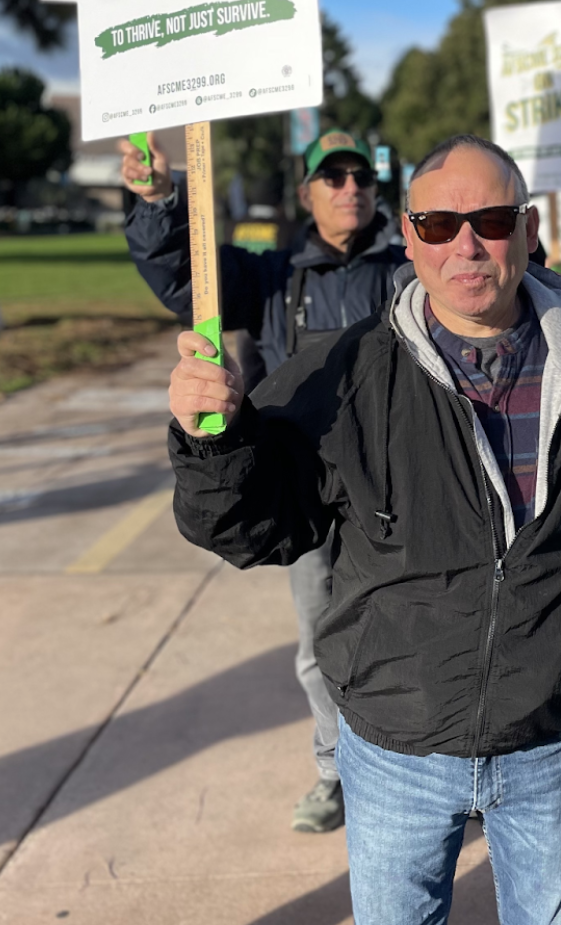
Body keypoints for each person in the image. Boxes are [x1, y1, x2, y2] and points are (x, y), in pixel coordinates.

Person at [164, 134, 561, 924]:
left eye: (493, 220)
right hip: (394, 749)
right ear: (408, 236)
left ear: (531, 227)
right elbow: (249, 529)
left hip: (551, 744)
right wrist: (213, 440)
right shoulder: (346, 369)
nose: (467, 244)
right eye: (439, 225)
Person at [120, 127, 407, 833]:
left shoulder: (410, 269)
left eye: (360, 178)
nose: (350, 188)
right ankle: (337, 774)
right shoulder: (275, 275)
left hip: (398, 491)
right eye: (332, 178)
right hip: (304, 492)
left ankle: (424, 773)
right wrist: (159, 200)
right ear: (307, 193)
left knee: (409, 633)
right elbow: (186, 277)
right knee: (319, 648)